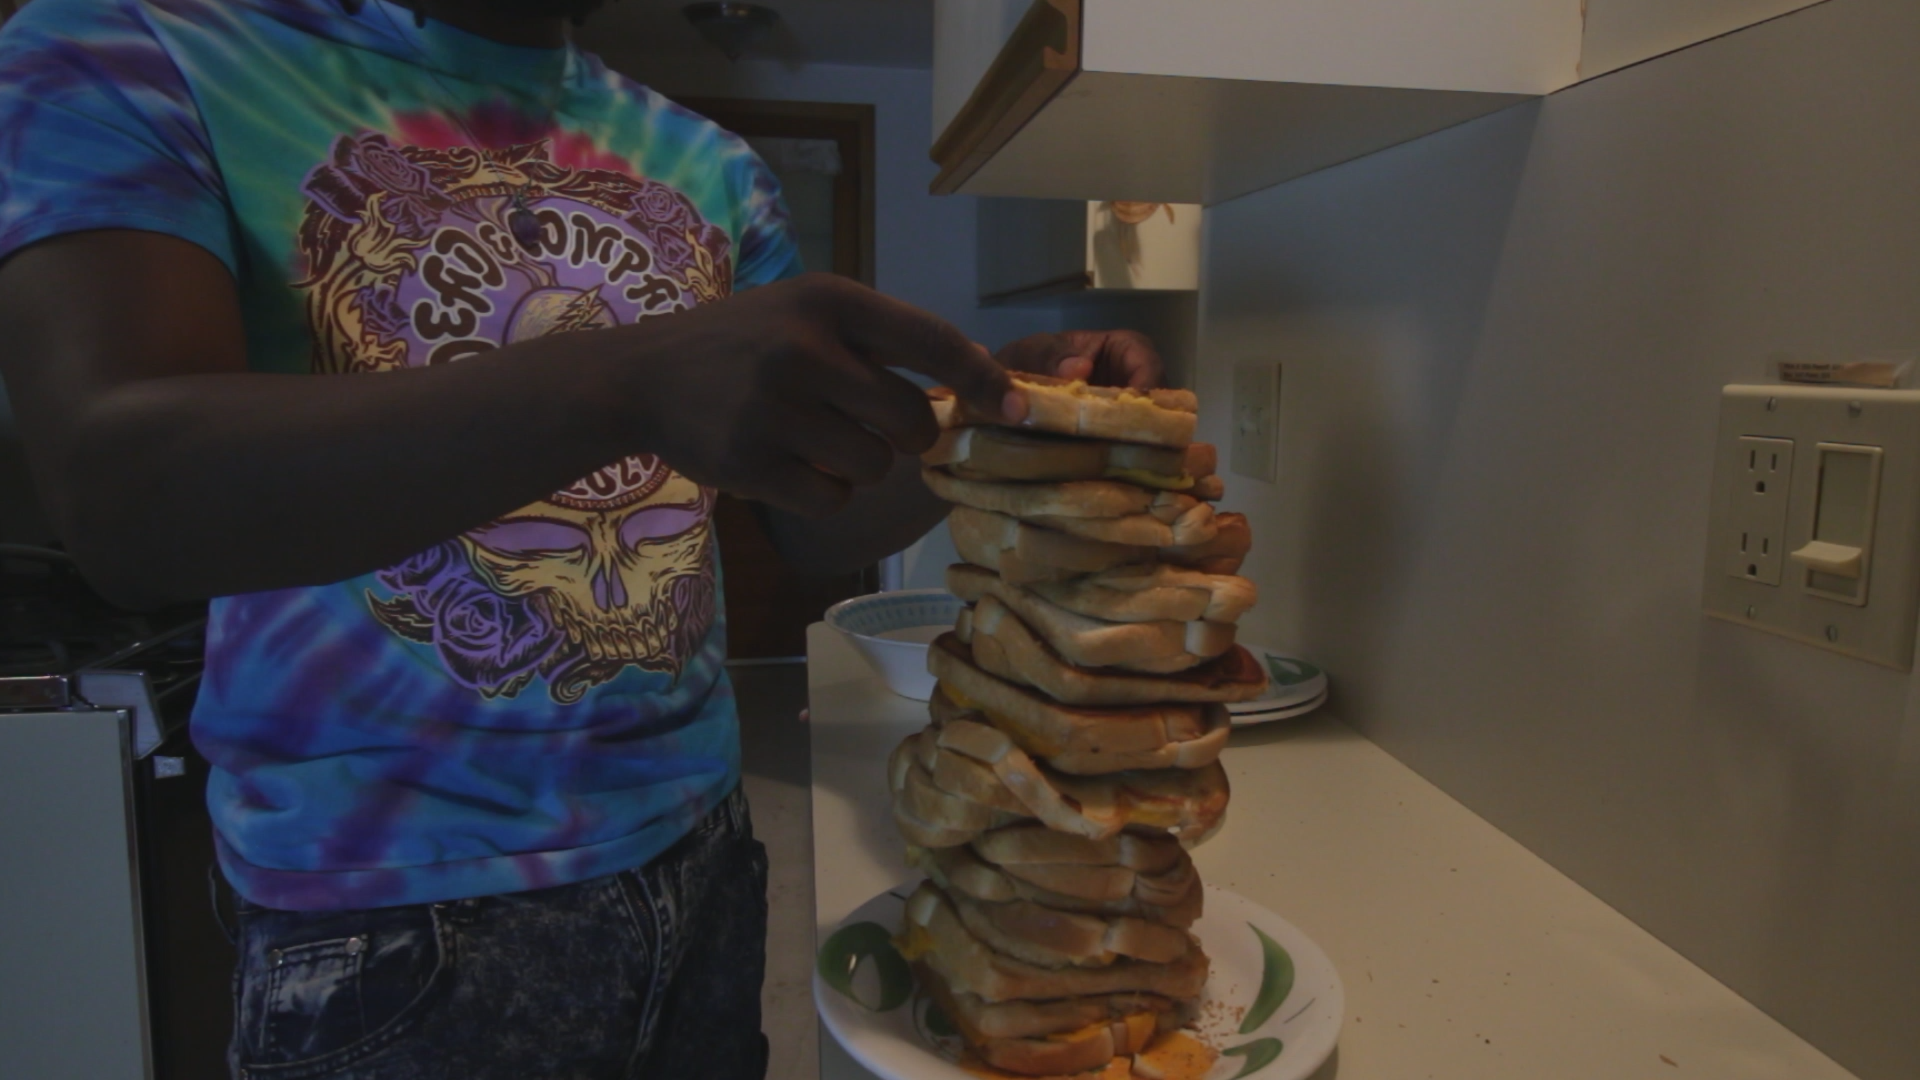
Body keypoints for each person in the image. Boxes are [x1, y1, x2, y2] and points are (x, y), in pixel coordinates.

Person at [0, 0, 1163, 1076]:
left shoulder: (711, 166)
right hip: (387, 916)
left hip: (702, 859)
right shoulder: (134, 52)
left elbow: (815, 528)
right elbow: (123, 496)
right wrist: (630, 381)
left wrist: (990, 421)